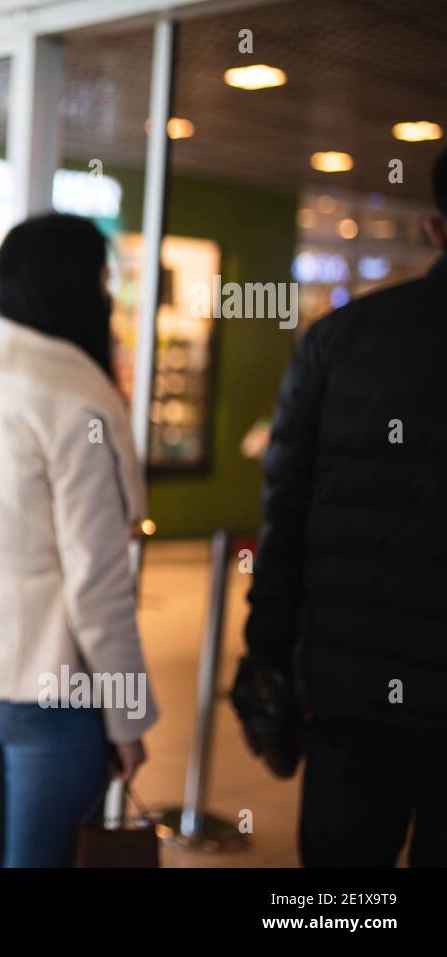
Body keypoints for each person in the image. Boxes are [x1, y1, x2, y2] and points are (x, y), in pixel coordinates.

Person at [0, 212, 159, 867]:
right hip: (50, 681)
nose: (110, 295)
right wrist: (127, 715)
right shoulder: (78, 400)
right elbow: (97, 581)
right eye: (104, 279)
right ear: (76, 288)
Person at [237, 148, 447, 867]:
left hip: (353, 701)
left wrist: (266, 654)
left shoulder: (340, 341)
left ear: (433, 229)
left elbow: (284, 515)